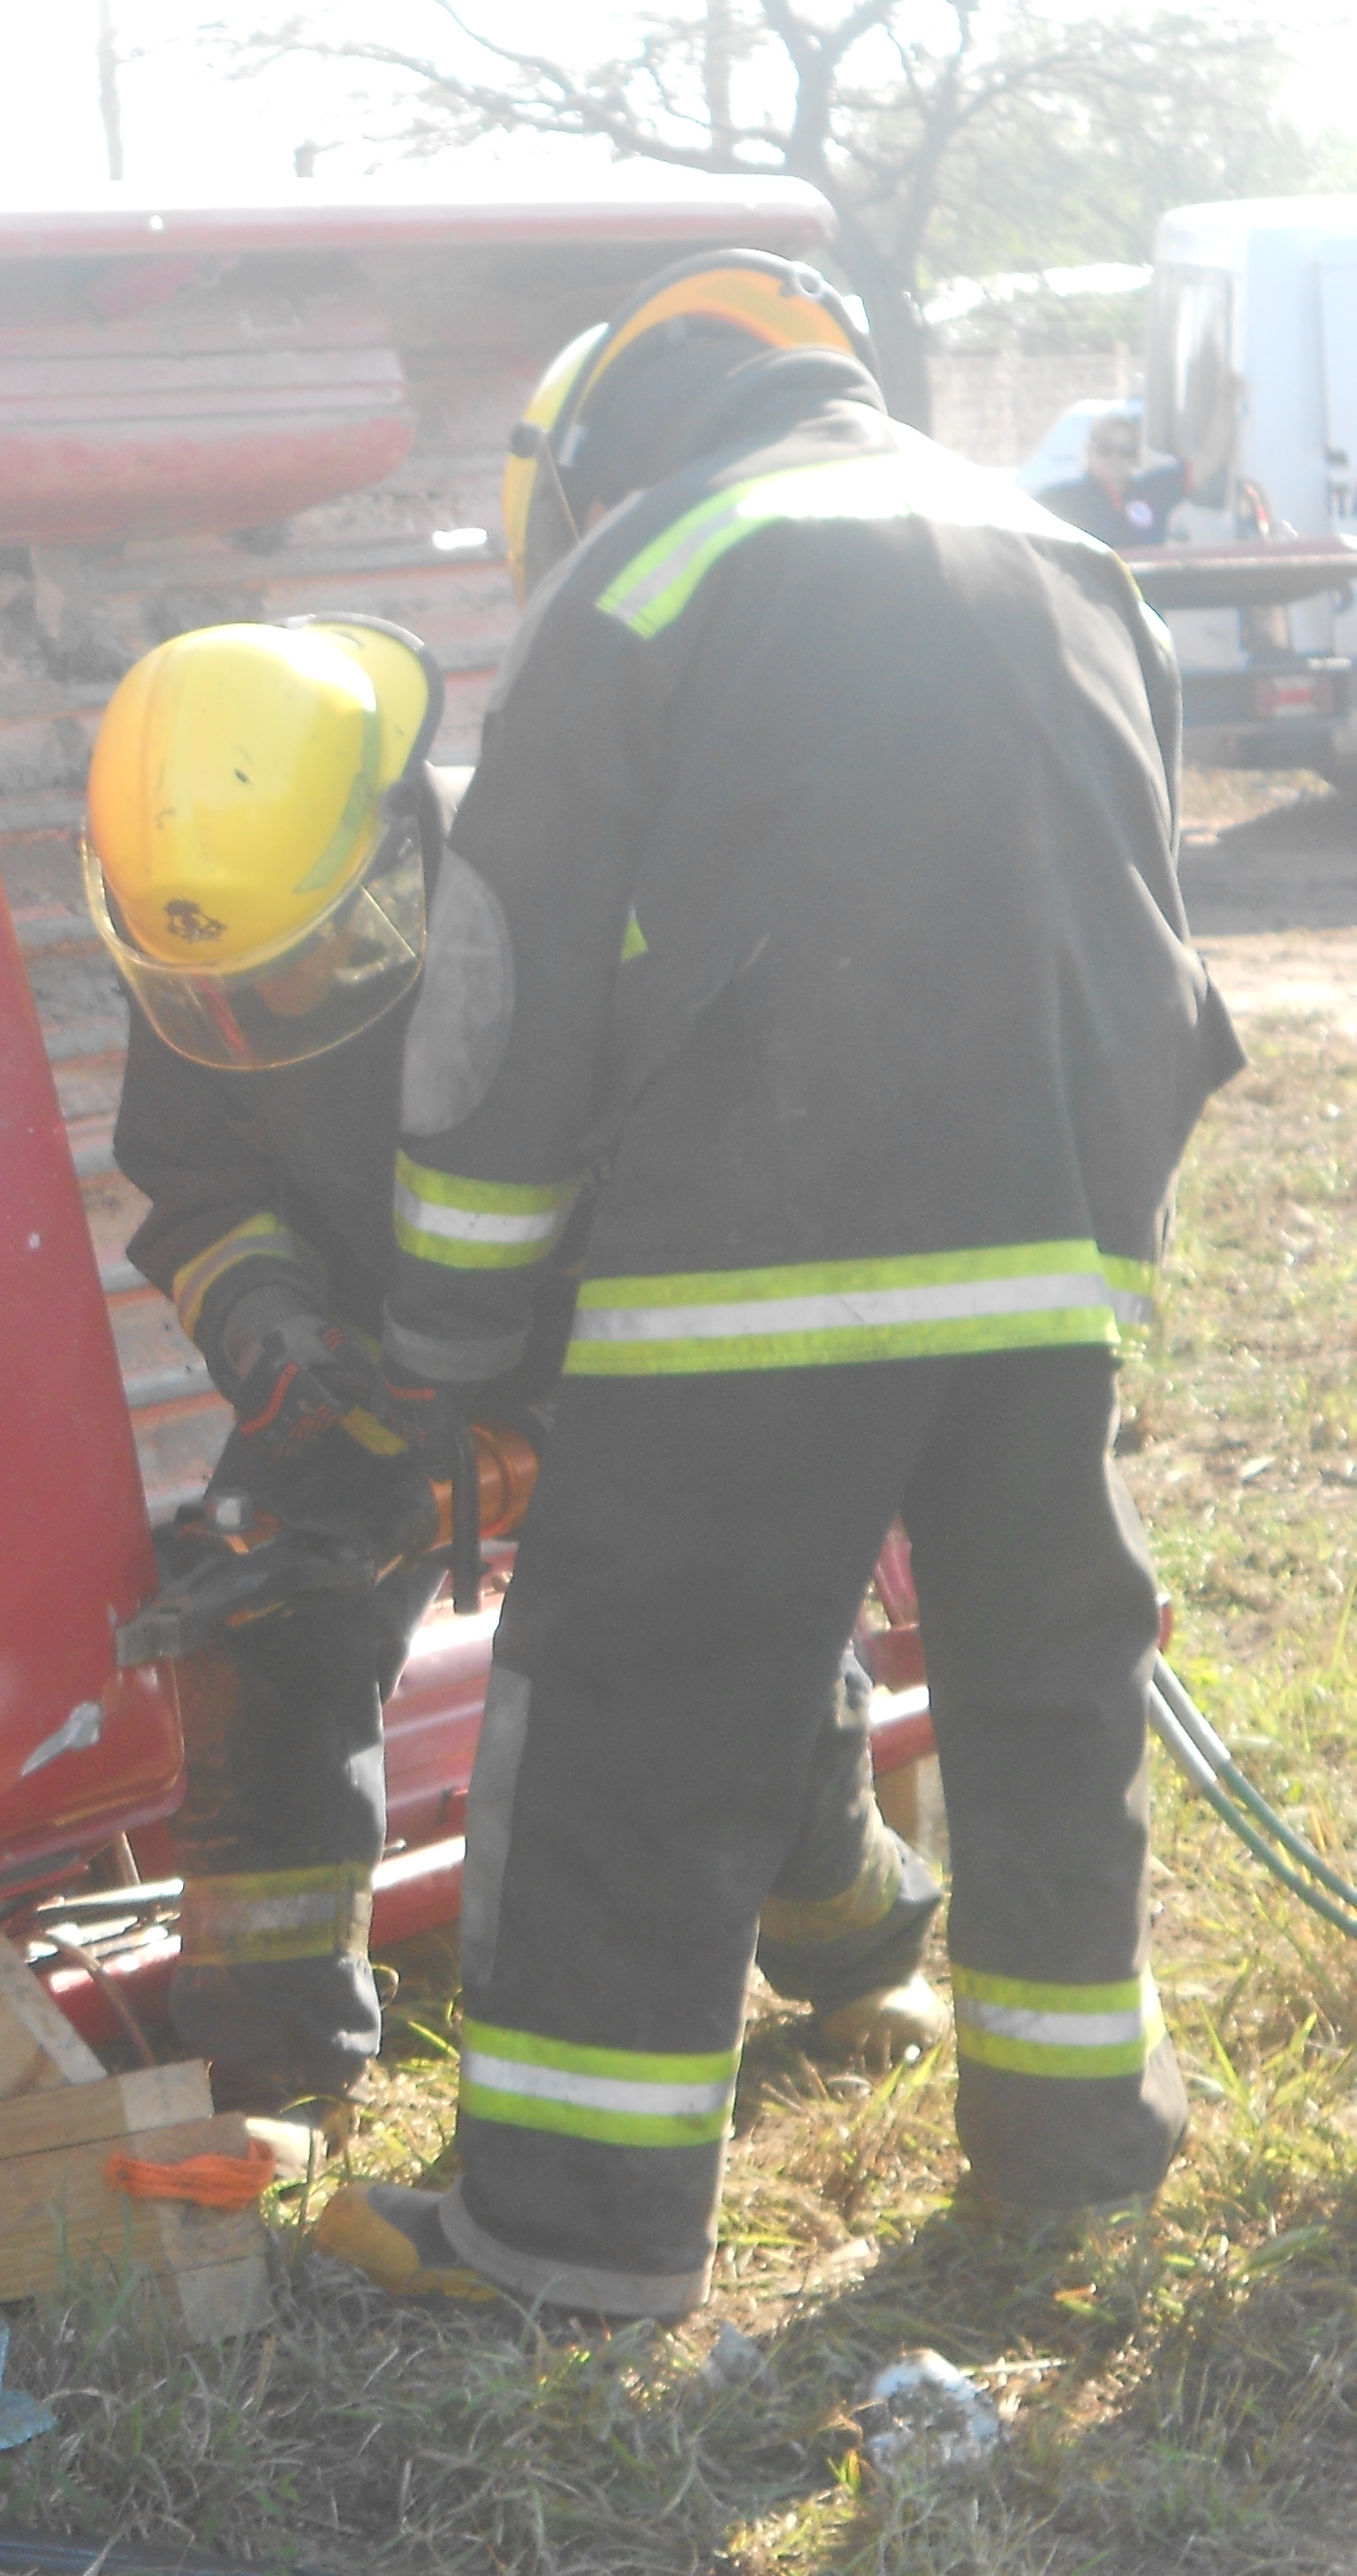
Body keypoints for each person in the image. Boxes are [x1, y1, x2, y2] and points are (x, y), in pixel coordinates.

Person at [321, 253, 1242, 2314]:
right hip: (1057, 1237)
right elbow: (1140, 909)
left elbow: (506, 980)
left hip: (764, 1234)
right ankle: (1075, 2157)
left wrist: (454, 1331)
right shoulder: (1069, 554)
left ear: (597, 460)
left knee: (637, 1702)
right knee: (1043, 1687)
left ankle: (567, 2235)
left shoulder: (648, 571)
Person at [87, 615, 943, 2130]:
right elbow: (204, 1187)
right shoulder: (212, 931)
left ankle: (855, 1952)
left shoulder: (574, 898)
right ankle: (279, 2068)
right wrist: (269, 1331)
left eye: (303, 962)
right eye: (224, 987)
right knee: (265, 1615)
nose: (261, 1008)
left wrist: (544, 1435)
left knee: (726, 1625)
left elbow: (700, 1183)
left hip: (612, 1330)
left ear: (388, 844)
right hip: (359, 1358)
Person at [1035, 407, 1182, 553]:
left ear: (1135, 456)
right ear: (1089, 452)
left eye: (1125, 451)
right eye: (1105, 449)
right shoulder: (1061, 498)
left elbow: (1195, 466)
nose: (1114, 458)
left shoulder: (1153, 492)